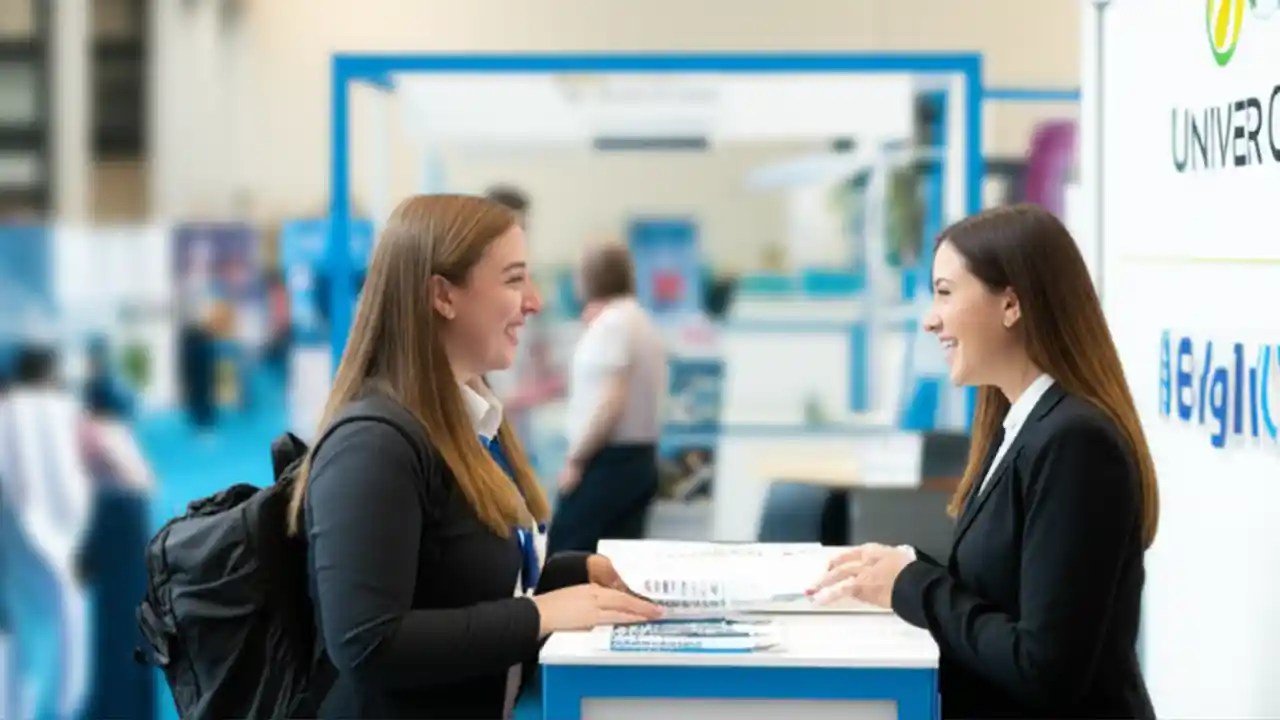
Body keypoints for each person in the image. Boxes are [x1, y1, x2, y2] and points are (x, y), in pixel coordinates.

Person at [288, 194, 662, 719]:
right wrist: (538, 615)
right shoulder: (373, 445)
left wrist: (575, 574)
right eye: (513, 280)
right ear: (443, 295)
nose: (533, 301)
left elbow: (461, 585)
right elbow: (368, 640)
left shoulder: (472, 424)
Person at [808, 204, 1158, 720]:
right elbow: (1005, 598)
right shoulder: (1022, 425)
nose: (931, 319)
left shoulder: (1075, 442)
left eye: (945, 293)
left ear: (1011, 304)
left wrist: (914, 586)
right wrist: (901, 569)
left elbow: (1044, 667)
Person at [547, 242, 668, 555]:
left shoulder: (612, 325)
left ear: (588, 278)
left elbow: (611, 402)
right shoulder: (638, 319)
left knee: (567, 553)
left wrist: (576, 459)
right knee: (616, 561)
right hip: (638, 459)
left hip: (607, 460)